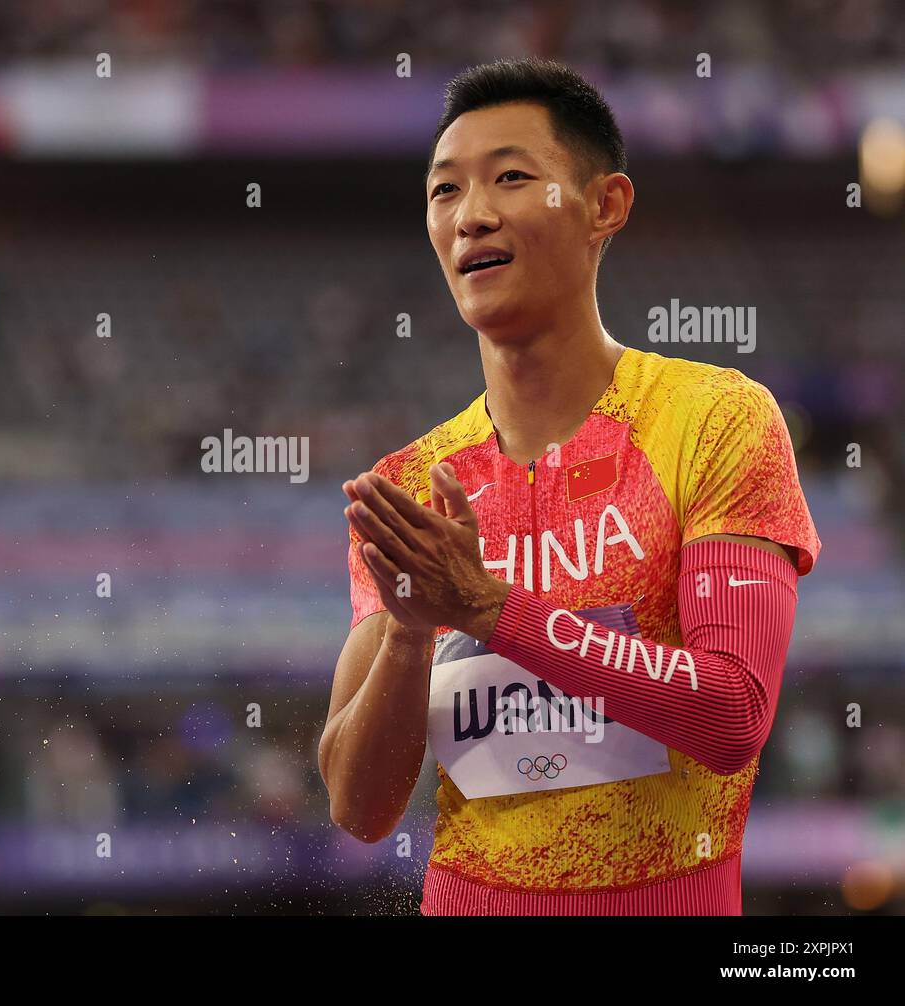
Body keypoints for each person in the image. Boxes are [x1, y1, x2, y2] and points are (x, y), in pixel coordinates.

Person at [317, 58, 821, 915]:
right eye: (445, 192)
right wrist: (410, 637)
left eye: (511, 178)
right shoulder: (415, 485)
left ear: (604, 206)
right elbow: (359, 811)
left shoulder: (714, 419)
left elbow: (731, 716)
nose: (471, 214)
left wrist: (489, 611)